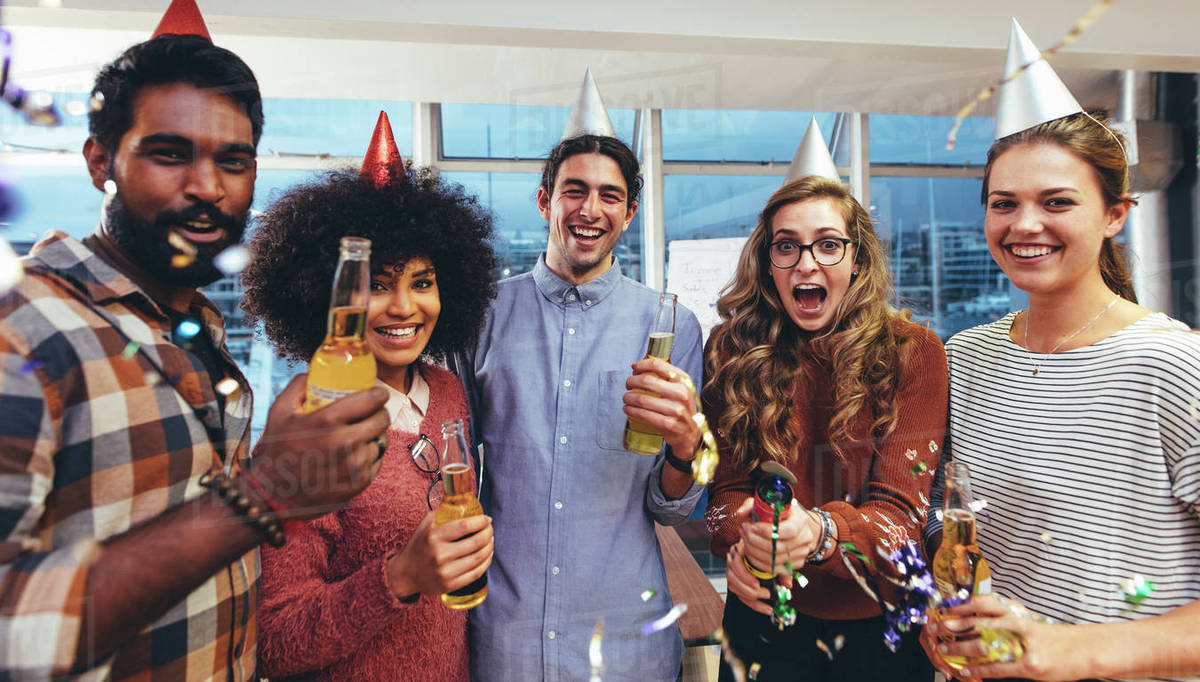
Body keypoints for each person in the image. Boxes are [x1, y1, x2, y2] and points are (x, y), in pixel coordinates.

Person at [0, 9, 389, 680]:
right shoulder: (23, 329)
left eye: (233, 162)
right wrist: (265, 494)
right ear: (101, 162)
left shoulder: (199, 330)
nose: (208, 188)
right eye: (170, 153)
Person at [920, 115, 1200, 682]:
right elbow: (955, 525)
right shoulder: (968, 358)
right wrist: (947, 610)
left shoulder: (1173, 365)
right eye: (1004, 204)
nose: (1025, 224)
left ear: (1115, 215)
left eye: (1057, 202)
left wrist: (1071, 650)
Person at [455, 80, 706, 679]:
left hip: (627, 647)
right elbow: (451, 464)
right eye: (575, 190)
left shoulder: (671, 327)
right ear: (545, 201)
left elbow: (674, 505)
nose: (590, 210)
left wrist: (685, 447)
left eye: (609, 196)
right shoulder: (482, 316)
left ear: (630, 213)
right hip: (503, 642)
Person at [241, 112, 498, 680]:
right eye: (377, 285)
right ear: (333, 296)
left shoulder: (448, 391)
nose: (405, 307)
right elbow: (276, 642)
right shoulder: (314, 418)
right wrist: (400, 576)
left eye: (422, 282)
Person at [704, 174, 947, 681]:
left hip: (881, 632)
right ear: (768, 265)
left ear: (857, 259)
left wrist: (818, 534)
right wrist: (741, 542)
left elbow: (901, 517)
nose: (806, 263)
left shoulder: (913, 353)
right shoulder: (731, 351)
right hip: (762, 621)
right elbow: (725, 493)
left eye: (828, 245)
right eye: (787, 247)